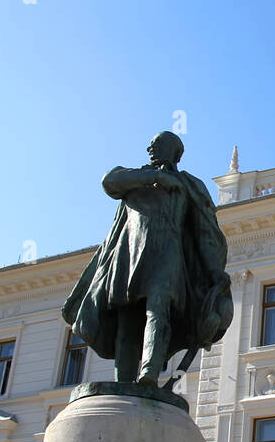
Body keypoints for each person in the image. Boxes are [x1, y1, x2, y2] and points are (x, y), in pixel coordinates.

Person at [62, 131, 232, 389]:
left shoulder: (187, 185)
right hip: (129, 254)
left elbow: (204, 232)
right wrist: (154, 177)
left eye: (157, 144)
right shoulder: (133, 178)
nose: (150, 148)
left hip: (168, 255)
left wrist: (213, 272)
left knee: (158, 307)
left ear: (174, 151)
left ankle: (149, 374)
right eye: (150, 145)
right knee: (127, 319)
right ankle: (125, 383)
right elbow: (109, 181)